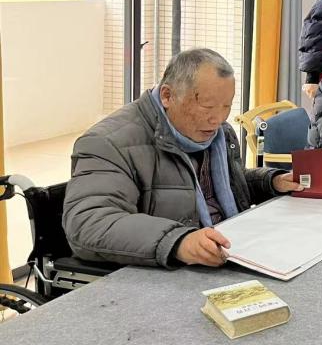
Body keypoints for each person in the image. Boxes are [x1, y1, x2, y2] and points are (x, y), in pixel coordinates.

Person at [62, 49, 303, 269]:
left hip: (230, 253)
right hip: (167, 271)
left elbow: (223, 185)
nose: (217, 120)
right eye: (207, 106)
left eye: (226, 107)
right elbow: (89, 223)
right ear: (167, 96)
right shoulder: (109, 142)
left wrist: (271, 182)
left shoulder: (218, 135)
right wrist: (178, 241)